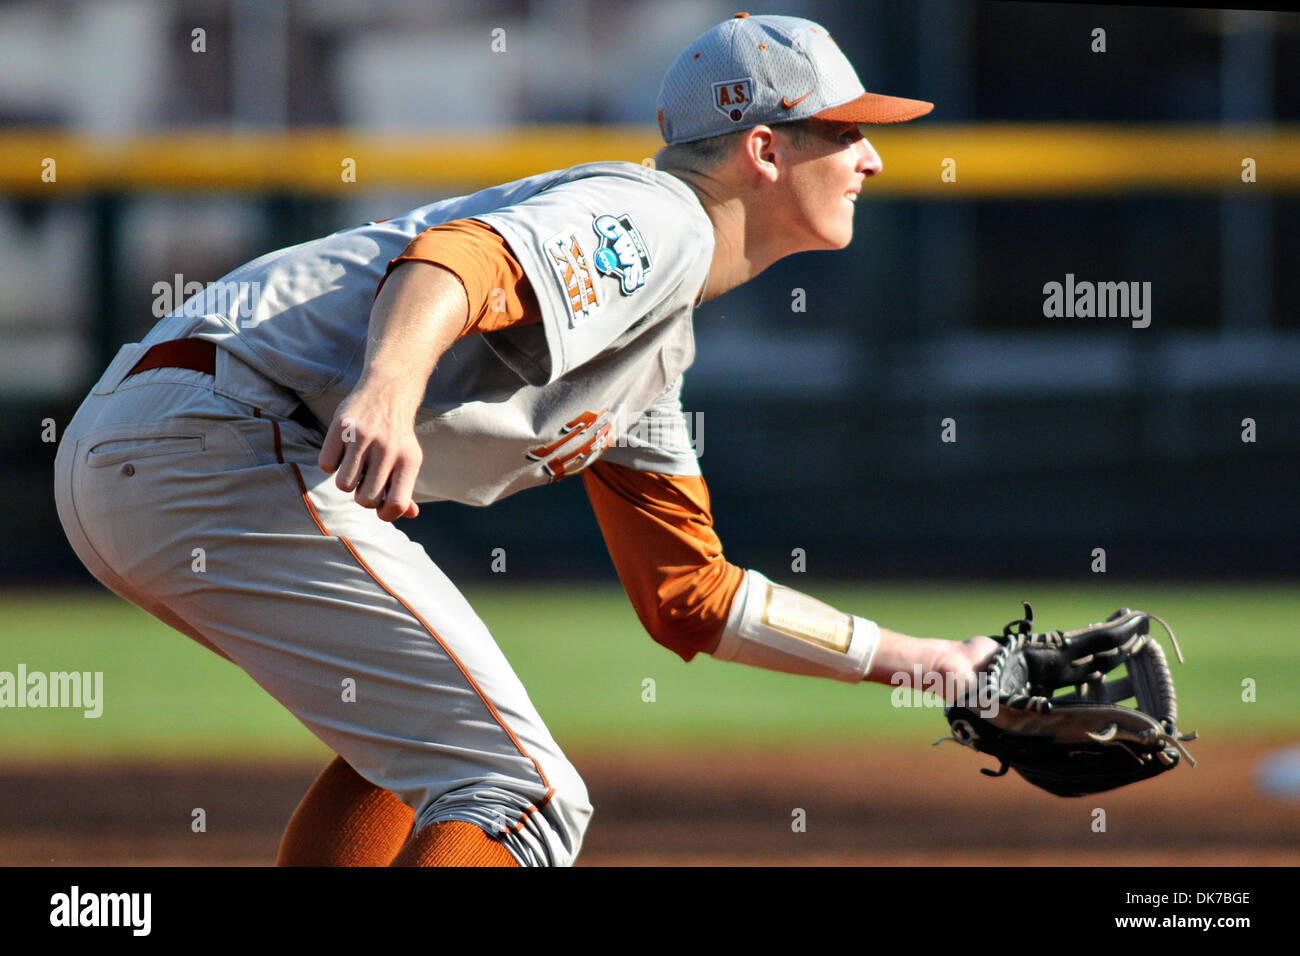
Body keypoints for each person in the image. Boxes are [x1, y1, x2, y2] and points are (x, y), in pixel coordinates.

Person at [53, 12, 997, 867]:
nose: (870, 158)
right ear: (762, 148)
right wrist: (388, 390)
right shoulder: (659, 219)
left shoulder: (655, 351)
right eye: (845, 132)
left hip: (169, 446)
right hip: (223, 436)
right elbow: (457, 257)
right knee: (525, 797)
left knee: (415, 743)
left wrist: (931, 663)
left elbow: (690, 597)